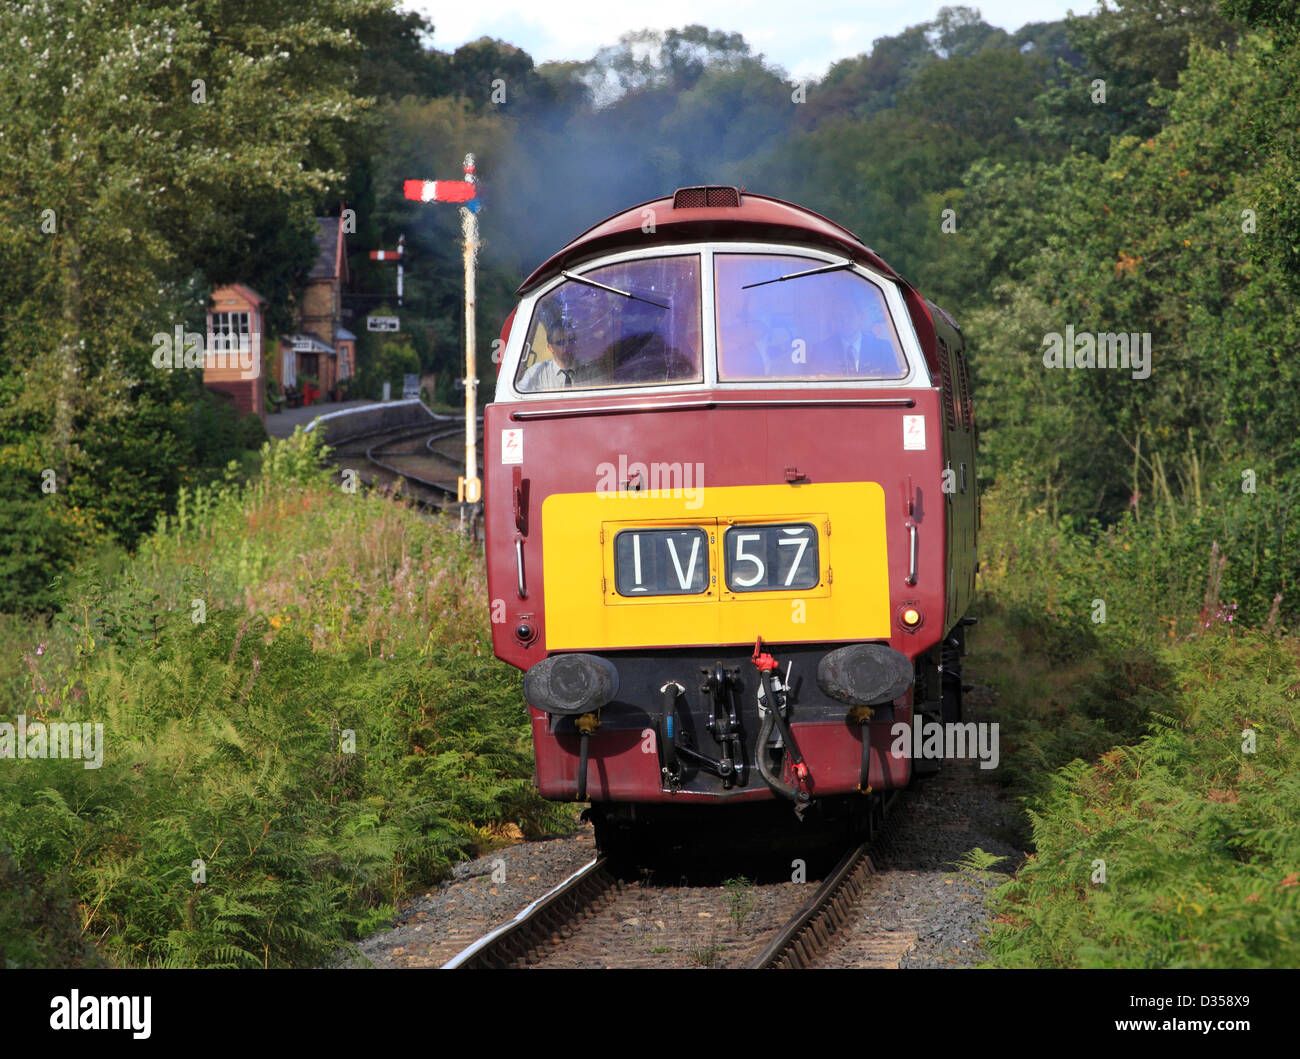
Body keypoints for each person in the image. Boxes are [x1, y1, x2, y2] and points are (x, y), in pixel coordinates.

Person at [810, 286, 903, 377]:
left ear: (860, 317)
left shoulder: (882, 348)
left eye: (850, 315)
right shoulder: (820, 350)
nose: (845, 320)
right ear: (834, 320)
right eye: (839, 316)